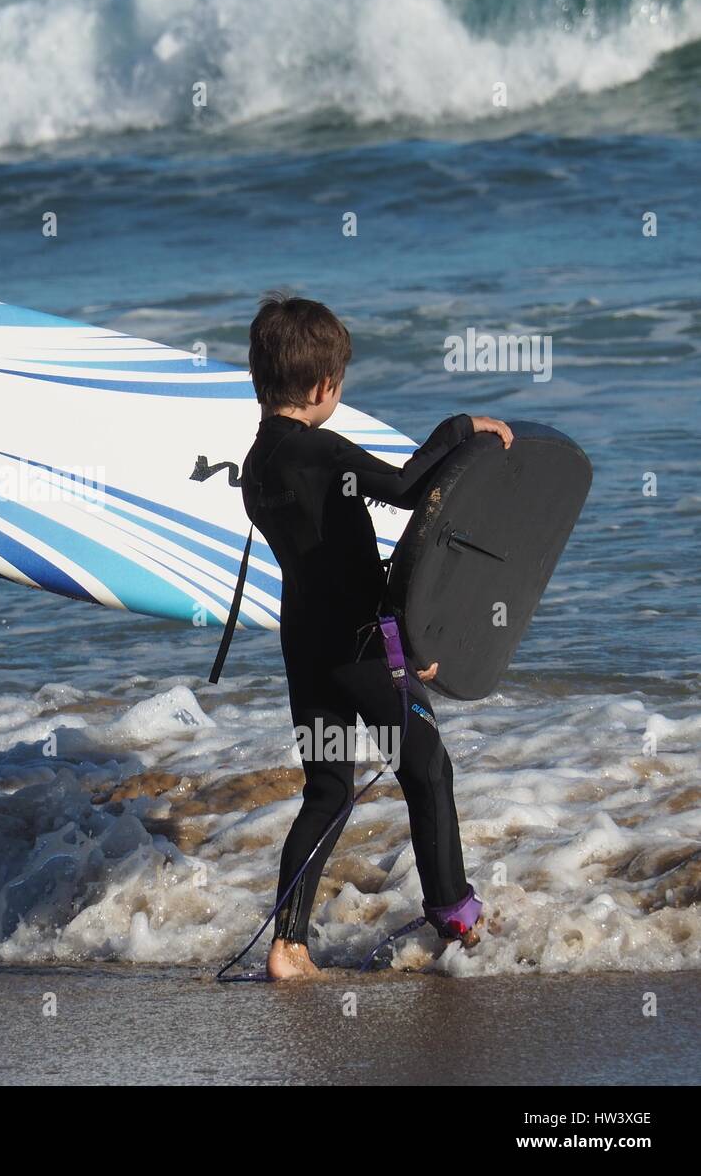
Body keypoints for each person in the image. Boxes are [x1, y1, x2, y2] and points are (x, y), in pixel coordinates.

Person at [239, 293, 512, 979]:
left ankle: (289, 944)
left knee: (327, 791)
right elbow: (407, 487)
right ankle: (455, 912)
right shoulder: (323, 450)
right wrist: (459, 429)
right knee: (425, 764)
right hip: (364, 649)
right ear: (323, 386)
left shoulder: (255, 465)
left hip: (306, 650)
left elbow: (326, 558)